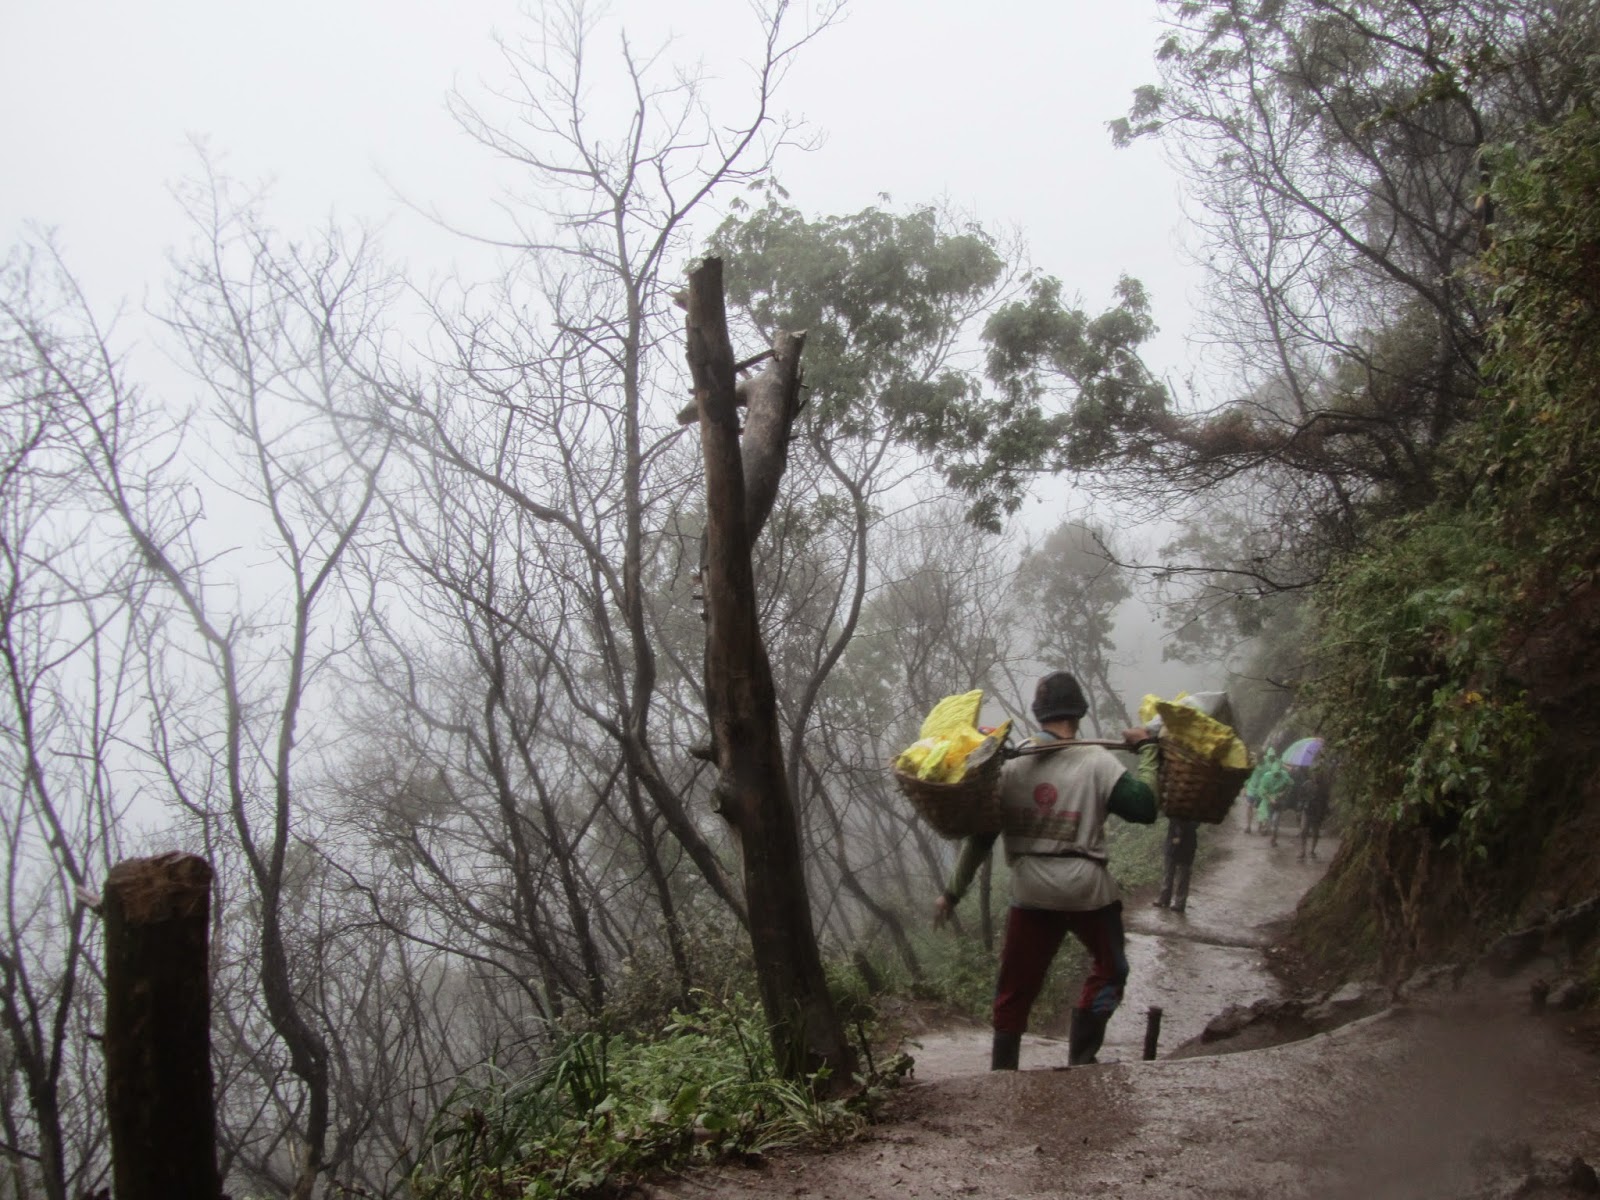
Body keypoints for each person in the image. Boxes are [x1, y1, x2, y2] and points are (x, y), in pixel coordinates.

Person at [933, 671, 1159, 1071]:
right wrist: (1148, 751)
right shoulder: (1096, 761)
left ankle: (1003, 1072)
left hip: (1031, 890)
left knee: (1015, 986)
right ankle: (1082, 1057)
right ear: (1079, 713)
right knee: (1111, 970)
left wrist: (952, 893)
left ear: (1039, 715)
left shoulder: (1010, 766)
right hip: (1087, 890)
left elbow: (982, 839)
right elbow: (1144, 808)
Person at [1154, 817, 1198, 913]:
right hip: (1172, 845)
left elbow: (1195, 824)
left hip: (1187, 846)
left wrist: (1182, 824)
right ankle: (1164, 899)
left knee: (1183, 876)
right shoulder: (1175, 808)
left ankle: (1179, 904)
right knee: (1168, 873)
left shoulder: (1196, 809)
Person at [1298, 766, 1332, 862]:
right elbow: (1300, 797)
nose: (1316, 775)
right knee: (1304, 830)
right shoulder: (1306, 784)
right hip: (1307, 810)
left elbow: (1326, 800)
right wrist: (1301, 806)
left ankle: (1312, 850)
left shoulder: (1324, 786)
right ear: (1312, 774)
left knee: (1315, 832)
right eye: (1315, 773)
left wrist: (1326, 811)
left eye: (1318, 774)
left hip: (1318, 812)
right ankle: (1303, 850)